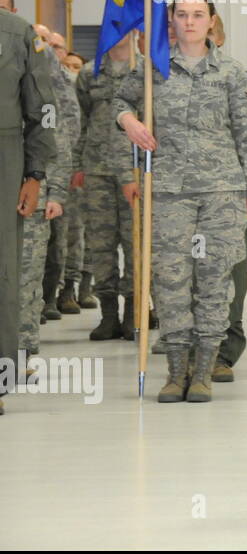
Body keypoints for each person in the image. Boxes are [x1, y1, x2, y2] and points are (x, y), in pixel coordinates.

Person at [117, 0, 247, 403]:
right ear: (172, 22)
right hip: (168, 191)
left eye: (199, 14)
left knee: (214, 281)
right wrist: (128, 120)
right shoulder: (152, 68)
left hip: (222, 191)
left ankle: (204, 371)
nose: (191, 22)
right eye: (182, 15)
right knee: (171, 282)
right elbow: (118, 100)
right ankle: (175, 371)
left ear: (212, 21)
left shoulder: (231, 71)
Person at [0, 1, 57, 416]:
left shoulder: (19, 33)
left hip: (5, 159)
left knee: (3, 271)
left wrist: (35, 174)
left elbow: (43, 110)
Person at [75, 35, 138, 340]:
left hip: (135, 171)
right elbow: (81, 123)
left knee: (135, 243)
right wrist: (77, 165)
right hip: (97, 169)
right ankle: (109, 314)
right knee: (101, 245)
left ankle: (134, 313)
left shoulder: (146, 70)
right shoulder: (90, 73)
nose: (120, 31)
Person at [42, 31, 86, 318]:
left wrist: (69, 168)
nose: (51, 50)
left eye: (57, 46)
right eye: (46, 44)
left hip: (59, 168)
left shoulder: (67, 82)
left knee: (64, 236)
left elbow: (72, 129)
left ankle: (57, 293)